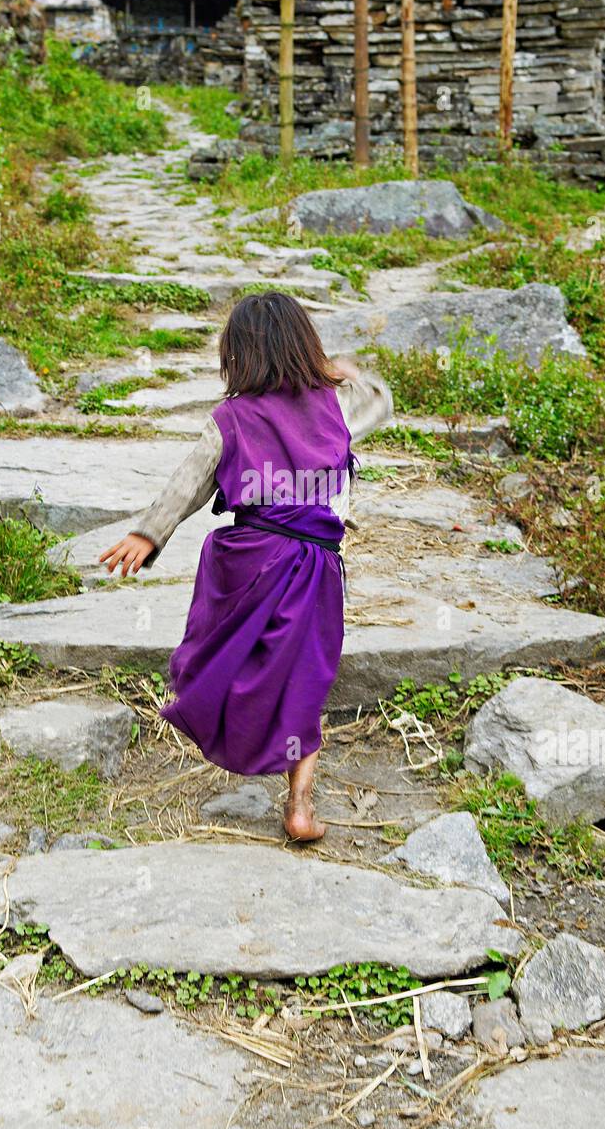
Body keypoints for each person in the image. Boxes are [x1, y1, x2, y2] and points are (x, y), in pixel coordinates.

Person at [99, 291, 392, 842]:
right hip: (314, 568)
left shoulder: (230, 418)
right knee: (307, 678)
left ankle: (216, 711)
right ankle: (300, 806)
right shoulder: (339, 405)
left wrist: (148, 532)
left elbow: (189, 480)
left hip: (250, 562)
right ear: (307, 347)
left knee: (228, 655)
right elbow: (380, 396)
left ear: (236, 356)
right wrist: (338, 369)